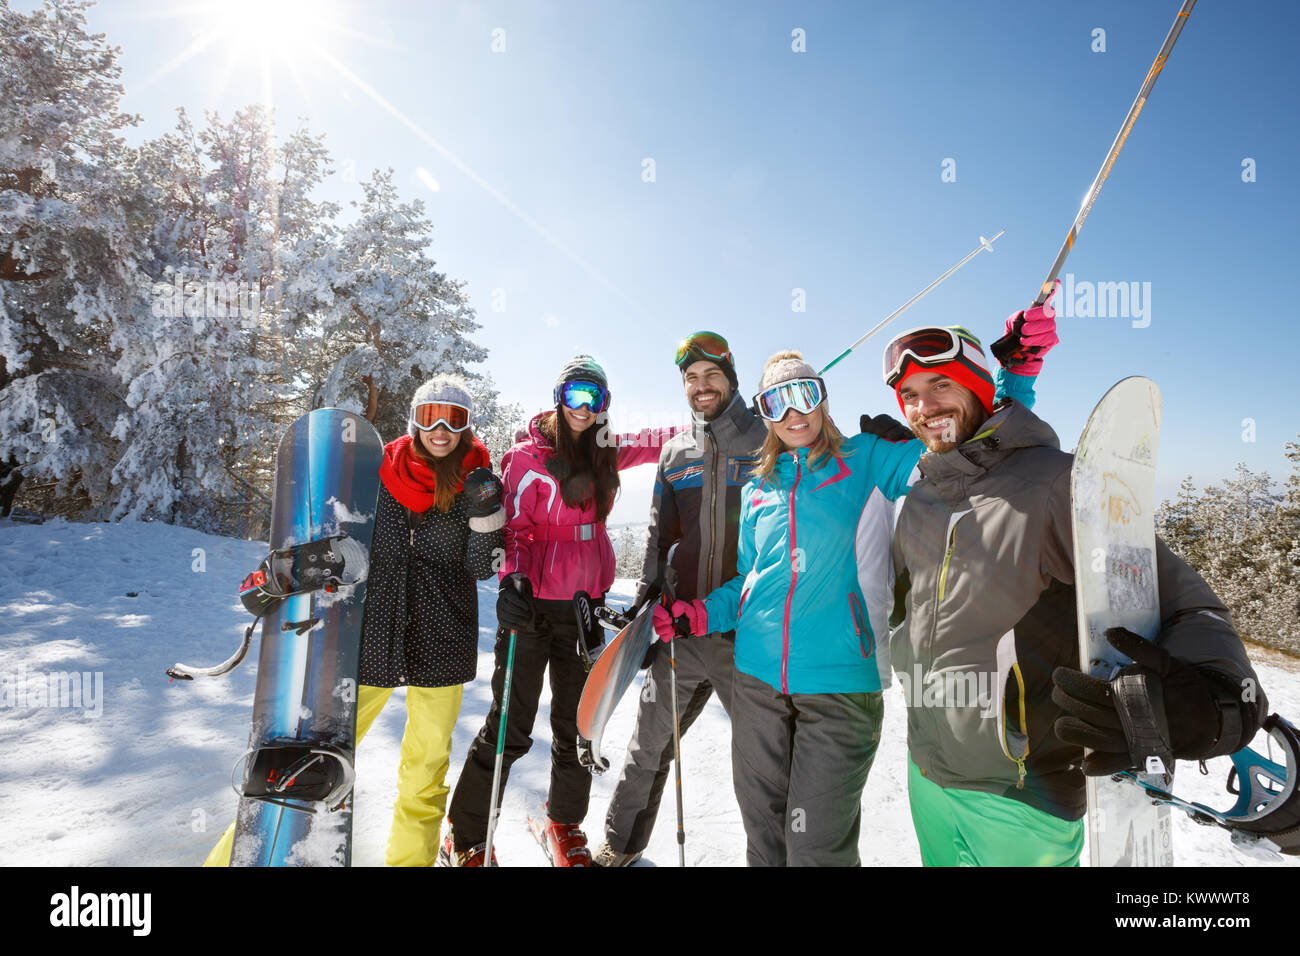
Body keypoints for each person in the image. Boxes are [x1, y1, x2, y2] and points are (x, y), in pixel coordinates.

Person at [881, 322, 1268, 867]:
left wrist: (1219, 699)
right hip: (928, 771)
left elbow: (1182, 596)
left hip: (1023, 789)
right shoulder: (920, 501)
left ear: (979, 385)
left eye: (941, 385)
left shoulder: (1058, 484)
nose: (925, 406)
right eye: (910, 396)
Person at [203, 375, 506, 867]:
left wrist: (488, 513)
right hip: (373, 640)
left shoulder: (478, 482)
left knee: (425, 775)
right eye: (432, 415)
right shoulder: (377, 473)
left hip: (442, 642)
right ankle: (232, 859)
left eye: (456, 418)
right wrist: (284, 571)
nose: (442, 428)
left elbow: (481, 568)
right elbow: (340, 541)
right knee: (309, 761)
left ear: (468, 427)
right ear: (415, 418)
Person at [441, 355, 677, 866]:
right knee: (510, 725)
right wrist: (515, 579)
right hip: (532, 613)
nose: (584, 407)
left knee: (578, 726)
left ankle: (563, 824)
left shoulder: (606, 451)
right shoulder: (525, 458)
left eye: (595, 397)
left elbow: (660, 439)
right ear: (558, 398)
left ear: (605, 404)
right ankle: (466, 836)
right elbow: (514, 531)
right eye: (575, 395)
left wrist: (712, 423)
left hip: (584, 612)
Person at [592, 332, 767, 867]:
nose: (701, 386)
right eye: (691, 379)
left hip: (751, 637)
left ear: (731, 377)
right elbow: (658, 536)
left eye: (711, 375)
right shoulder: (676, 453)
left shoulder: (768, 439)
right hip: (682, 634)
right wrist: (648, 610)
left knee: (764, 762)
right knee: (648, 747)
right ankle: (621, 846)